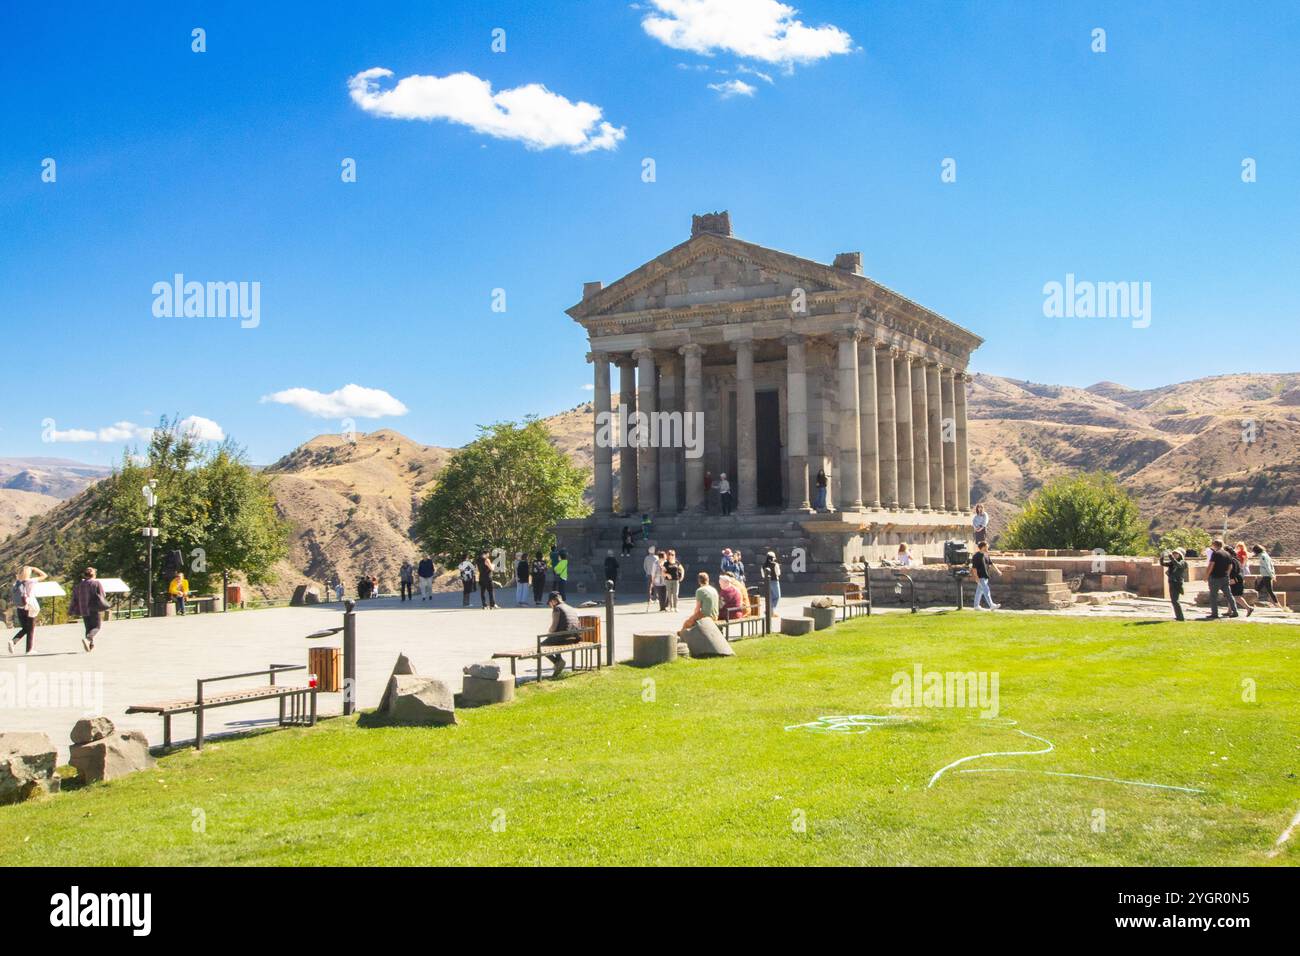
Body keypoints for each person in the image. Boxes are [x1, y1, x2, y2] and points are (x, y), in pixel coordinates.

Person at [69, 566, 110, 652]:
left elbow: (74, 598)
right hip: (94, 608)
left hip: (83, 609)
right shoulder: (96, 583)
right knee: (97, 626)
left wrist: (72, 610)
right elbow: (103, 595)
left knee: (88, 628)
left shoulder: (79, 585)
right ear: (94, 575)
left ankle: (90, 645)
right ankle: (88, 639)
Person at [9, 565, 48, 655]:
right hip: (30, 606)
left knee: (26, 628)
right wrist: (34, 568)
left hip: (20, 608)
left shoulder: (17, 583)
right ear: (29, 573)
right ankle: (29, 650)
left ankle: (13, 641)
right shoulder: (30, 581)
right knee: (31, 628)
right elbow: (44, 575)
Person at [543, 591, 582, 678]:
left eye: (549, 603)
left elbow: (554, 627)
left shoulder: (557, 608)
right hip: (574, 638)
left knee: (541, 646)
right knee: (554, 640)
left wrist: (549, 632)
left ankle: (557, 662)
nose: (550, 605)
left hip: (564, 637)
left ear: (553, 601)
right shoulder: (570, 607)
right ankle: (559, 661)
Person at [1203, 539, 1240, 620]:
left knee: (1213, 596)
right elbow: (1230, 566)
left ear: (1214, 545)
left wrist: (1206, 575)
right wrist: (1227, 575)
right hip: (1224, 577)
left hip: (1215, 578)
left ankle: (1214, 613)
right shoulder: (1227, 554)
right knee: (1229, 595)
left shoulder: (1215, 553)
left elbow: (1211, 565)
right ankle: (1235, 611)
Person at [1161, 549, 1188, 621]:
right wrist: (1162, 557)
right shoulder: (1172, 562)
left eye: (1176, 554)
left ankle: (1180, 617)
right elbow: (1163, 564)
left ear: (1180, 555)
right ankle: (1178, 616)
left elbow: (1178, 565)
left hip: (1177, 583)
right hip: (1172, 582)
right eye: (1174, 554)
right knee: (1174, 600)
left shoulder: (1183, 562)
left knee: (1175, 600)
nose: (1175, 555)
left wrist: (1170, 557)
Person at [971, 541, 998, 610]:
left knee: (979, 591)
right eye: (986, 547)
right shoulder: (976, 556)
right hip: (980, 577)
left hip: (985, 576)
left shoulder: (986, 555)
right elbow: (974, 568)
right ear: (982, 547)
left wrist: (998, 571)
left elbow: (991, 564)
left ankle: (976, 606)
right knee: (986, 590)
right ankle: (991, 605)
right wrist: (976, 578)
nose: (987, 548)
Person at [1228, 551, 1252, 617]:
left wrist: (1229, 579)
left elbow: (1232, 571)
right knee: (1231, 595)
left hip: (1235, 579)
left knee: (1236, 596)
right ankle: (1229, 611)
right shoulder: (1236, 560)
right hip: (1238, 578)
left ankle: (1248, 608)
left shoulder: (1231, 561)